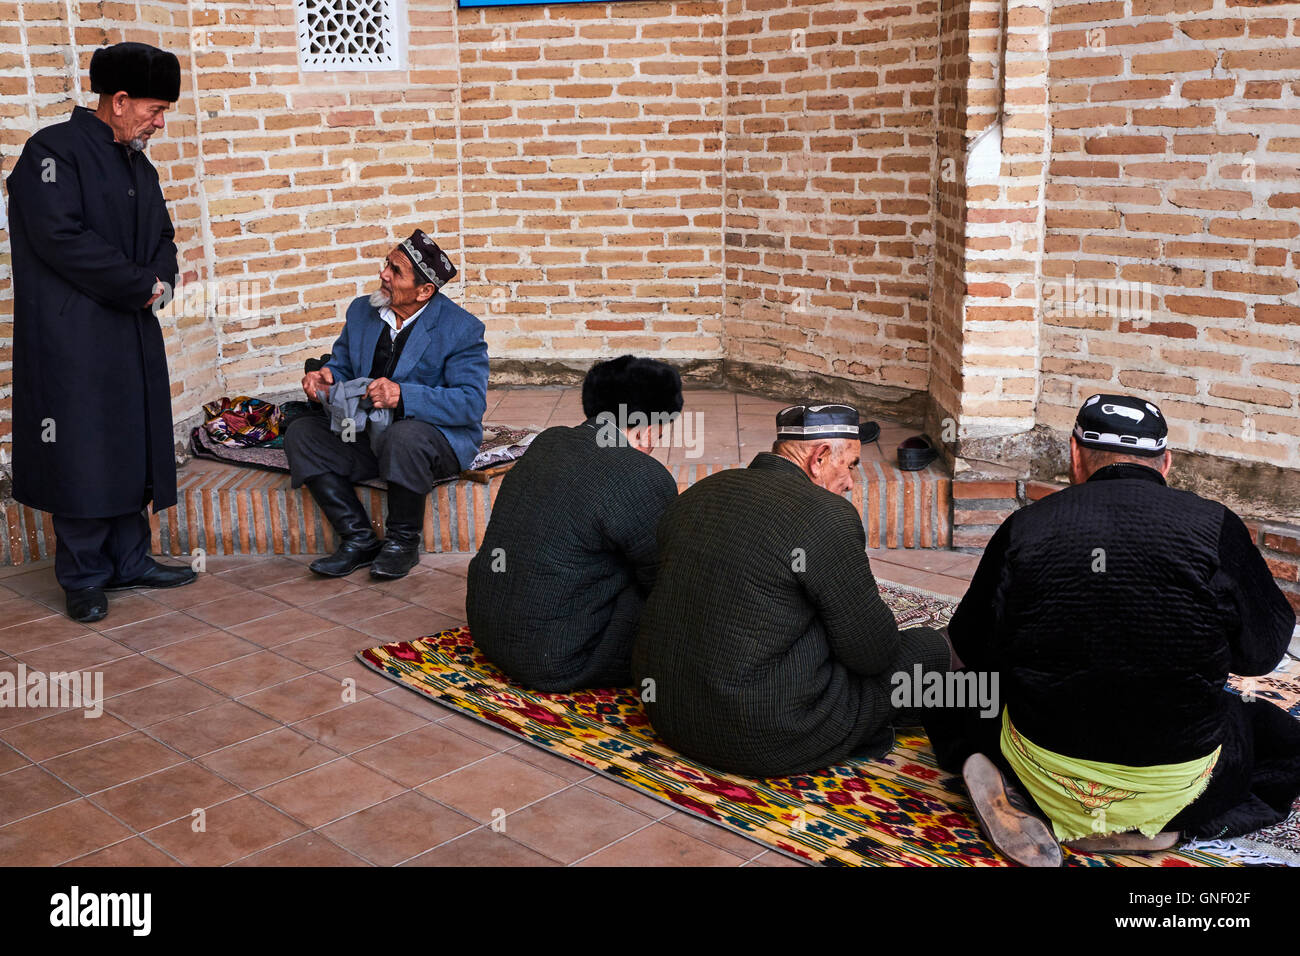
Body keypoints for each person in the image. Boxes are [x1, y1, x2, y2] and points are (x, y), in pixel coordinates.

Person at [935, 394, 1300, 866]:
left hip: (1044, 773)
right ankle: (1171, 828)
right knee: (1273, 733)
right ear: (1166, 462)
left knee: (946, 686)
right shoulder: (1218, 527)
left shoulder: (1025, 526)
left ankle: (991, 771)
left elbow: (972, 648)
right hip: (1180, 787)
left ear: (1075, 454)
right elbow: (1261, 655)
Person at [631, 403, 952, 777]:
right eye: (850, 466)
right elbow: (874, 654)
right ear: (820, 458)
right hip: (762, 735)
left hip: (667, 713)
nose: (851, 482)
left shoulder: (699, 492)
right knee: (930, 649)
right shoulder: (826, 516)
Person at [6, 42, 196, 623]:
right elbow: (61, 240)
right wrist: (140, 285)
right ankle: (84, 576)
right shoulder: (51, 153)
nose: (159, 123)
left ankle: (130, 560)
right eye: (154, 110)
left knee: (131, 443)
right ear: (119, 101)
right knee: (82, 449)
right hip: (74, 338)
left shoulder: (140, 165)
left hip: (131, 331)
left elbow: (163, 236)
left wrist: (161, 280)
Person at [466, 356, 681, 691]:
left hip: (486, 629)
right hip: (560, 658)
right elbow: (665, 578)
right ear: (648, 428)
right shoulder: (642, 475)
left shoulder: (547, 441)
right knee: (680, 591)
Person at [285, 230, 488, 581]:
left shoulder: (461, 329)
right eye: (386, 264)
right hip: (366, 433)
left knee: (403, 436)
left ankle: (402, 543)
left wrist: (403, 396)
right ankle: (358, 538)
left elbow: (470, 403)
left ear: (424, 291)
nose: (383, 274)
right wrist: (326, 378)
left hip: (429, 442)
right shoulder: (362, 311)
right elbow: (342, 364)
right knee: (301, 433)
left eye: (395, 270)